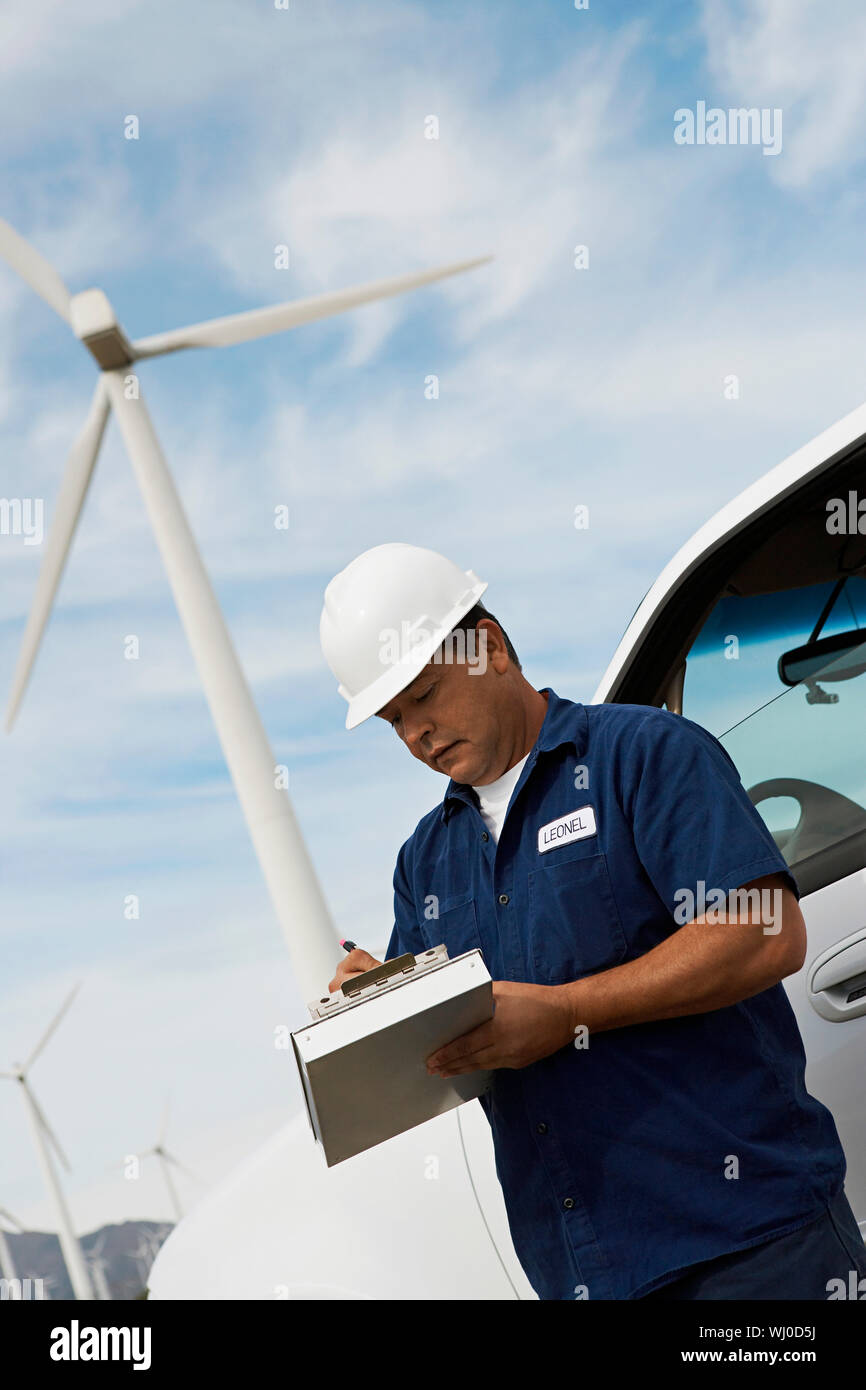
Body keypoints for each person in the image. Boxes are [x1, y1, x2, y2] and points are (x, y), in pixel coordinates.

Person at [319, 542, 866, 1300]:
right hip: (588, 1278)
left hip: (751, 1253)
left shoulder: (645, 757)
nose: (415, 731)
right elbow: (440, 1049)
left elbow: (766, 932)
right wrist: (374, 1002)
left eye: (426, 695)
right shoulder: (425, 862)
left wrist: (567, 1012)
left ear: (492, 649)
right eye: (392, 718)